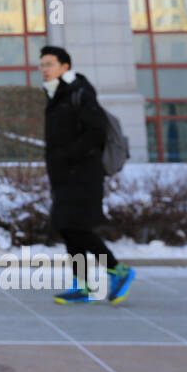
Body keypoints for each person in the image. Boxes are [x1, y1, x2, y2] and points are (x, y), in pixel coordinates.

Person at [38, 45, 134, 304]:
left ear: (64, 67)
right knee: (68, 229)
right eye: (42, 65)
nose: (44, 69)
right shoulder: (57, 95)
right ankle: (83, 286)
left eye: (49, 64)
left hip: (83, 174)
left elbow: (96, 132)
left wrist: (67, 156)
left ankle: (118, 270)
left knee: (76, 228)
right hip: (65, 175)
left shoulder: (79, 93)